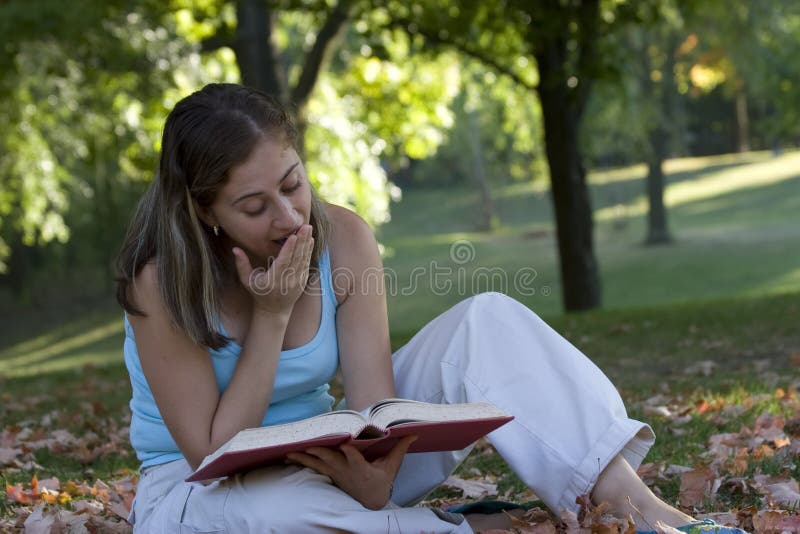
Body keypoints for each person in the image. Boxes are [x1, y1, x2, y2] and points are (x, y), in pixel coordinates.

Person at [116, 83, 744, 534]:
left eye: (292, 185)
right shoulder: (159, 284)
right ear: (204, 211)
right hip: (199, 495)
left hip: (327, 462)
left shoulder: (345, 236)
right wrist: (273, 316)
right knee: (276, 514)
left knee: (486, 321)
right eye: (254, 208)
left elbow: (377, 406)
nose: (288, 218)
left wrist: (376, 474)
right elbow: (211, 457)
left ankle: (646, 515)